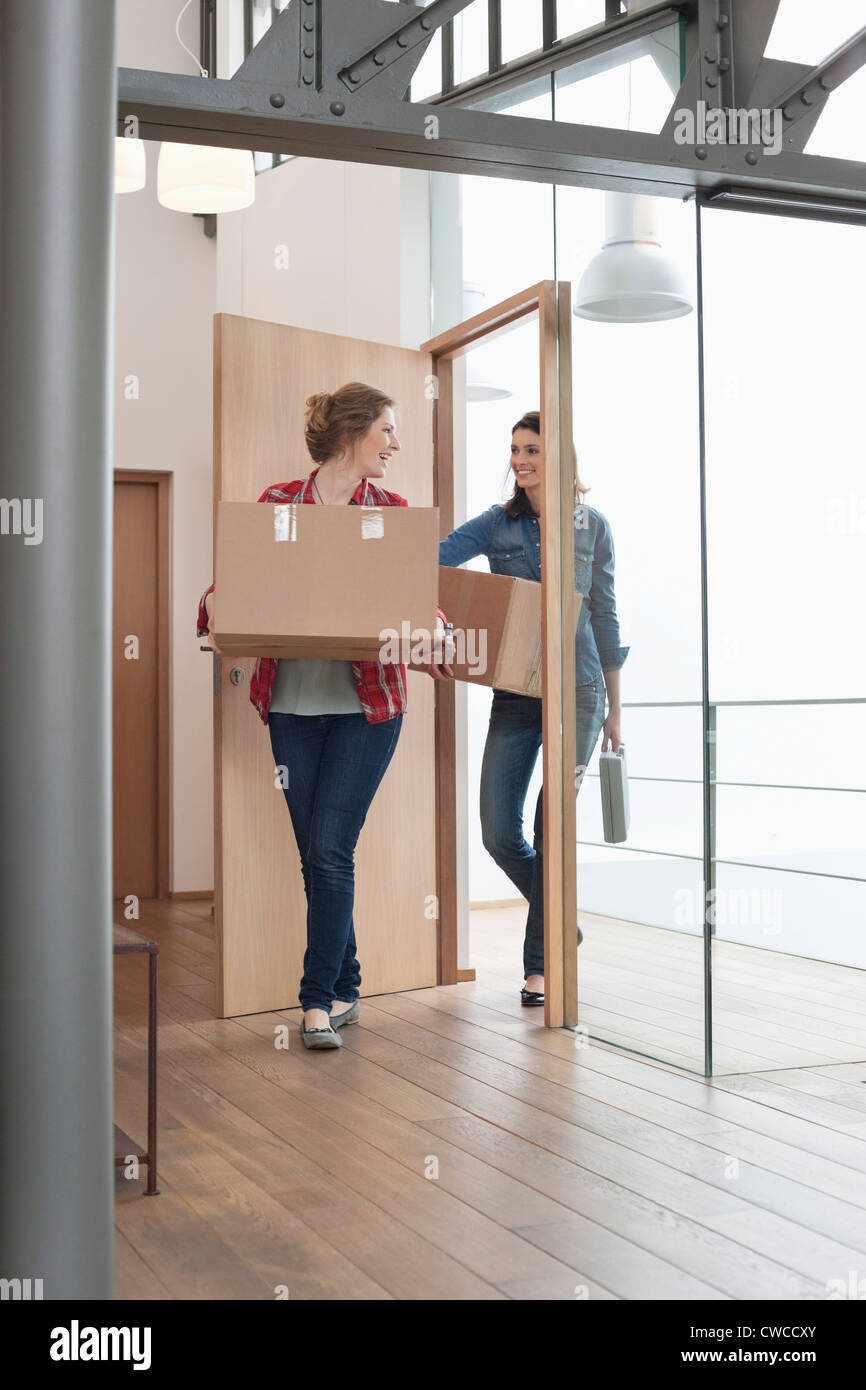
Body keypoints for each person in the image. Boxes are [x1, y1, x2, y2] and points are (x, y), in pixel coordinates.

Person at [198, 382, 448, 1049]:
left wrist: (440, 631)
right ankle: (349, 984)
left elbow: (419, 600)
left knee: (332, 850)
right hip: (288, 708)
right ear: (353, 431)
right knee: (317, 855)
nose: (395, 445)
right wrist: (219, 605)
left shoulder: (390, 512)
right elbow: (227, 592)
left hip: (367, 713)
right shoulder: (279, 506)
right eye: (388, 431)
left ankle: (315, 1004)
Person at [438, 411, 629, 1006]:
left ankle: (538, 971)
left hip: (580, 691)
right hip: (517, 692)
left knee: (552, 828)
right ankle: (558, 917)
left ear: (559, 457)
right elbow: (436, 558)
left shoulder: (591, 527)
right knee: (499, 830)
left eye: (532, 450)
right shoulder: (497, 525)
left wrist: (616, 711)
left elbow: (605, 617)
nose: (520, 460)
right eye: (515, 450)